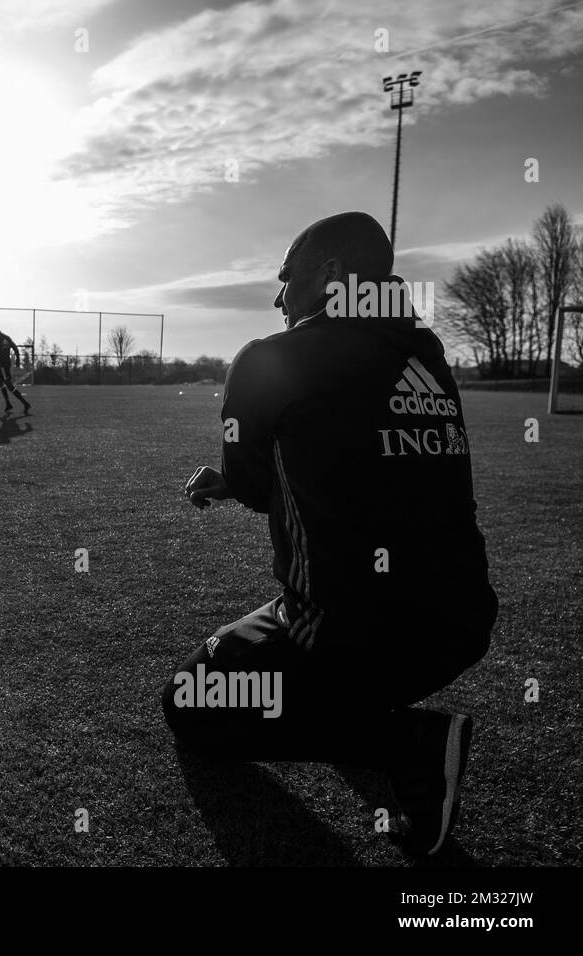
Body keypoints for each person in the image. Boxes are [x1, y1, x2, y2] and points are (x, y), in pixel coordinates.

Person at [167, 211, 497, 858]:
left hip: (347, 629)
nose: (277, 297)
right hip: (461, 622)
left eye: (286, 279)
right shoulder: (422, 351)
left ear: (330, 276)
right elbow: (362, 453)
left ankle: (406, 744)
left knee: (190, 701)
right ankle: (361, 709)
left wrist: (235, 478)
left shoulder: (270, 358)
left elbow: (261, 488)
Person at [0, 318, 31, 414]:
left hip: (4, 365)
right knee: (0, 383)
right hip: (1, 365)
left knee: (9, 386)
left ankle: (25, 403)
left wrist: (18, 359)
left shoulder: (3, 338)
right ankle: (8, 404)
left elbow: (13, 348)